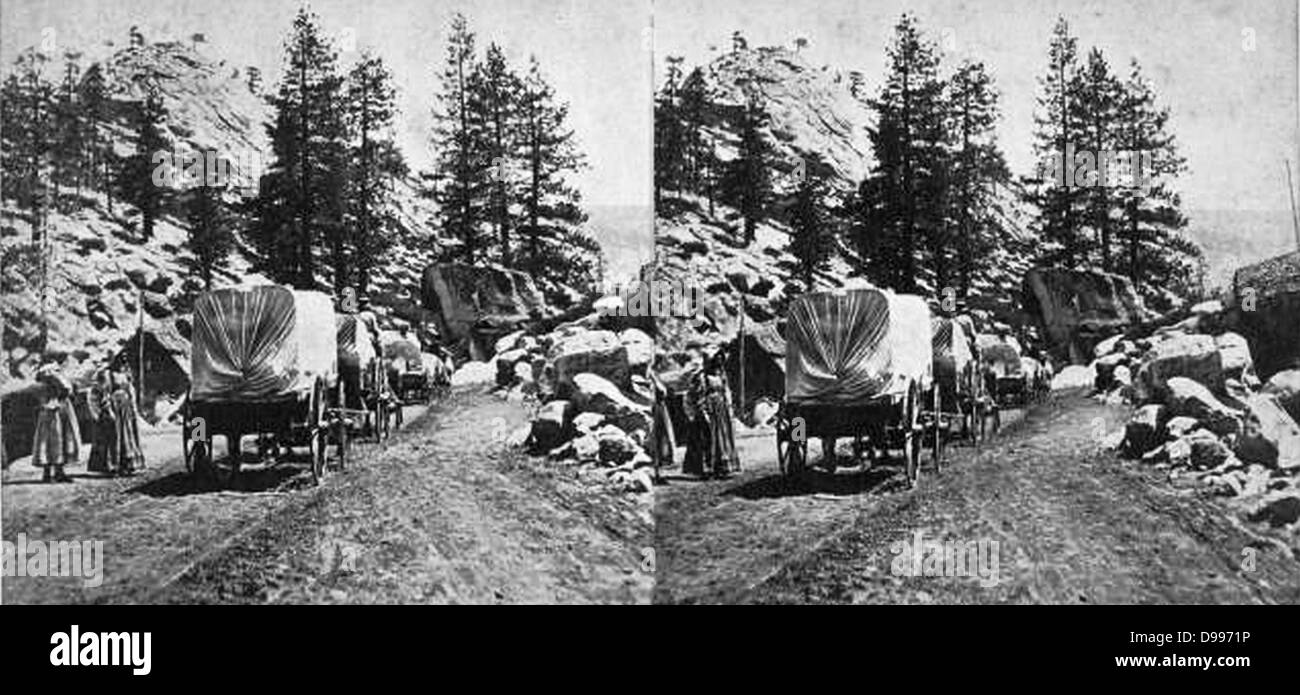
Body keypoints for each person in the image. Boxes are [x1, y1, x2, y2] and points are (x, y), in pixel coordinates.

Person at [31, 365, 81, 483]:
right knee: (49, 441)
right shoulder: (46, 379)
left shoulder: (57, 375)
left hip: (59, 411)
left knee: (60, 440)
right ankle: (47, 473)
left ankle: (59, 472)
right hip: (50, 412)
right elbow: (66, 388)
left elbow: (67, 389)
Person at [86, 368, 118, 475]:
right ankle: (103, 465)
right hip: (101, 416)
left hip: (106, 415)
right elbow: (93, 402)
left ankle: (109, 463)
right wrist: (97, 415)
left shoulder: (105, 387)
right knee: (102, 442)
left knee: (109, 440)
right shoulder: (96, 388)